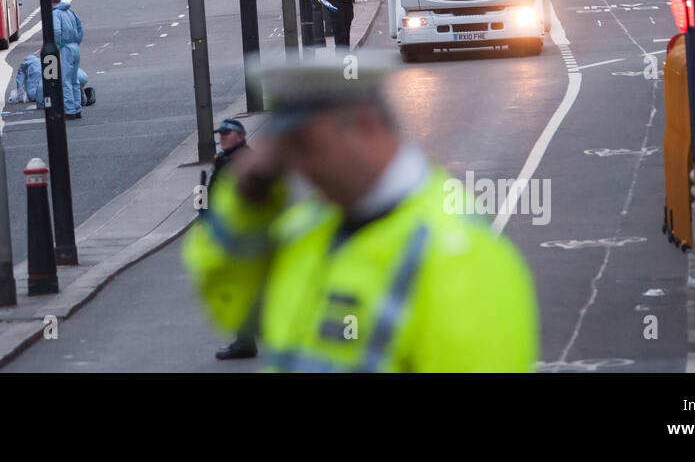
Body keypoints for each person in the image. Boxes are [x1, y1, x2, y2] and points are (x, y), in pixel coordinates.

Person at [182, 53, 539, 373]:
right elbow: (231, 303)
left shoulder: (460, 258)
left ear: (366, 127)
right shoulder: (310, 227)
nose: (300, 168)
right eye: (289, 152)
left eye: (309, 147)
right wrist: (249, 197)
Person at [205, 118, 258, 361]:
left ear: (240, 136)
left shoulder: (241, 162)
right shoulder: (227, 159)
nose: (222, 137)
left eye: (227, 134)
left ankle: (245, 342)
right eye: (221, 134)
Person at [9, 51, 92, 109]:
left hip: (45, 85)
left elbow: (20, 79)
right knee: (69, 83)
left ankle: (69, 97)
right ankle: (76, 93)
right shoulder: (49, 62)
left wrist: (20, 94)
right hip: (77, 76)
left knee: (39, 93)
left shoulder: (28, 67)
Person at [50, 0, 85, 119]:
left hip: (65, 48)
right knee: (74, 80)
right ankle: (77, 108)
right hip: (75, 47)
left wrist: (57, 47)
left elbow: (56, 31)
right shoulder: (70, 12)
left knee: (65, 81)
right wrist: (76, 42)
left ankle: (69, 110)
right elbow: (80, 28)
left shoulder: (56, 14)